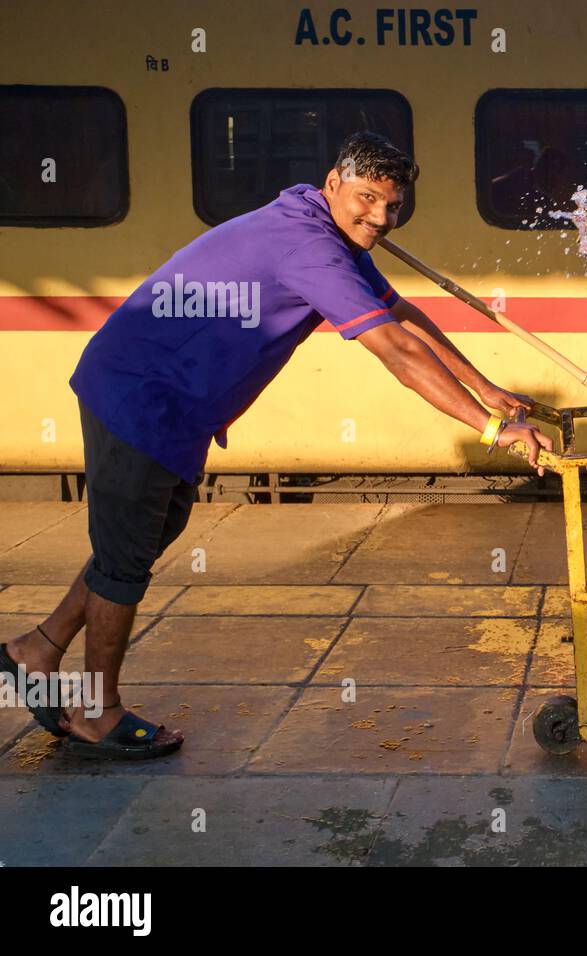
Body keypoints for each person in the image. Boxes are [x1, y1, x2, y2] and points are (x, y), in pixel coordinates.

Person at [0, 131, 552, 759]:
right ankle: (98, 714)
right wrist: (491, 431)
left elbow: (400, 316)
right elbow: (395, 353)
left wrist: (487, 389)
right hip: (141, 398)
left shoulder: (326, 228)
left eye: (393, 207)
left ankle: (34, 652)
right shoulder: (310, 246)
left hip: (173, 407)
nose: (379, 217)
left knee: (138, 542)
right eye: (367, 198)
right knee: (124, 563)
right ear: (334, 182)